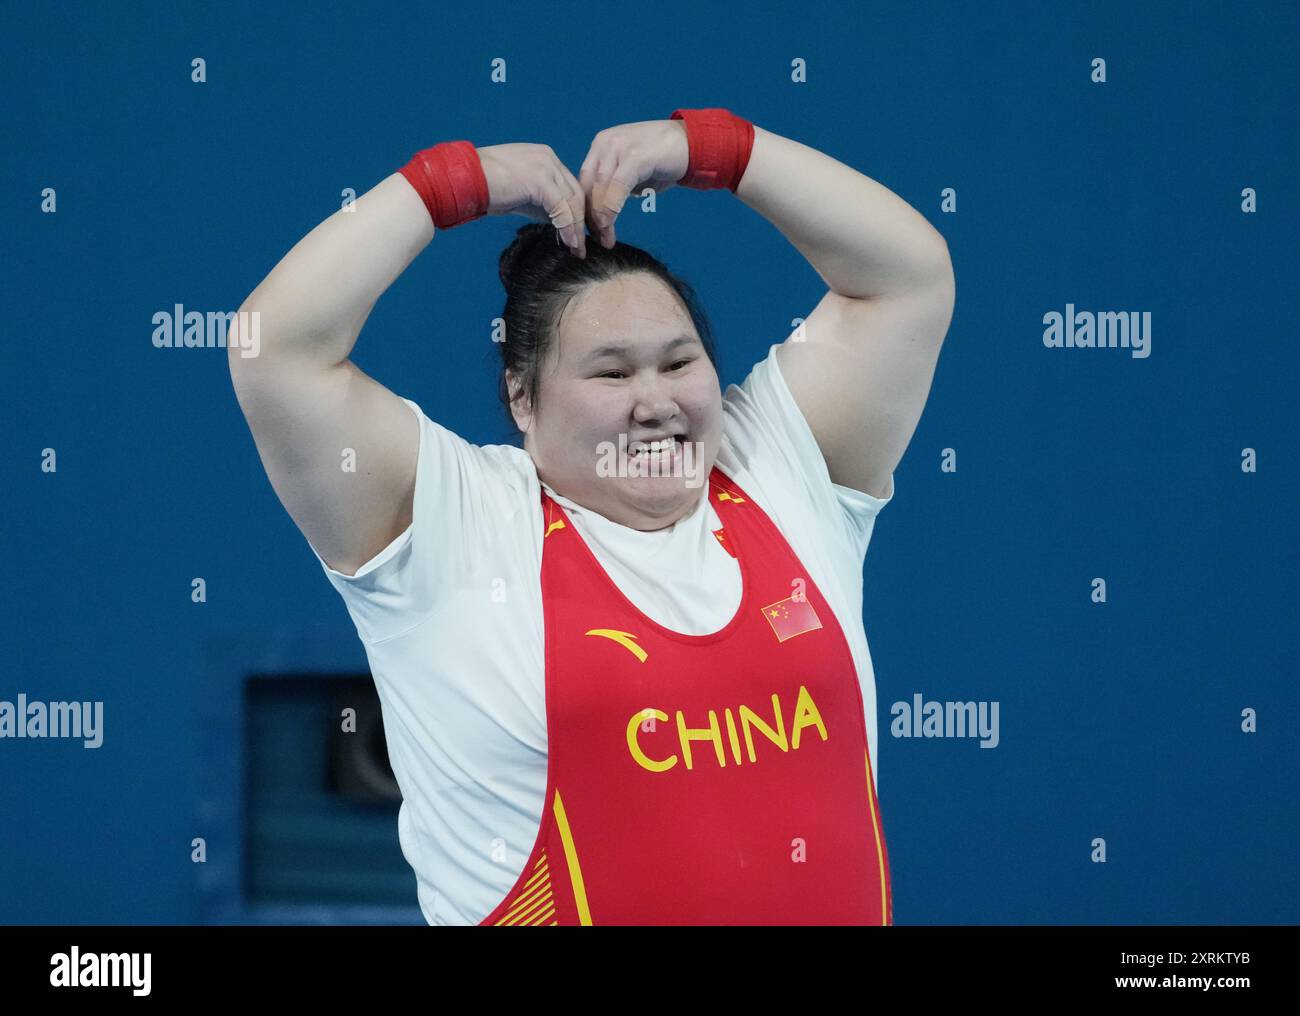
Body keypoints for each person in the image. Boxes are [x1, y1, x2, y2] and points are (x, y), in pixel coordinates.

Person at [227, 108, 955, 925]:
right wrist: (447, 182)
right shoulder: (457, 528)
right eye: (610, 374)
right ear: (520, 398)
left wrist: (714, 149)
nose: (656, 401)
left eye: (680, 362)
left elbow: (908, 277)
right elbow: (272, 347)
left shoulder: (778, 472)